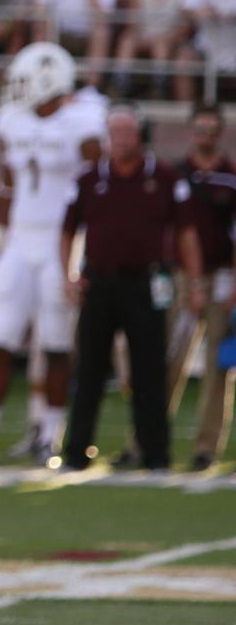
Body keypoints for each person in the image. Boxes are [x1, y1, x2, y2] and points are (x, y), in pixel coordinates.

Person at [0, 44, 104, 464]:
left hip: (61, 244)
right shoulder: (13, 122)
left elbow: (97, 186)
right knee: (0, 340)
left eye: (24, 81)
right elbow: (6, 188)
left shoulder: (84, 122)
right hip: (20, 242)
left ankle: (49, 437)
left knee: (56, 345)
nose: (16, 91)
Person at [59, 106, 205, 472]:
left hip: (146, 283)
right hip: (100, 282)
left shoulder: (166, 177)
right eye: (114, 132)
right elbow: (67, 231)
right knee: (90, 369)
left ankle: (155, 455)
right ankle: (76, 452)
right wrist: (69, 275)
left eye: (127, 132)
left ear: (141, 135)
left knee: (149, 372)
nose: (121, 140)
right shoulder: (89, 179)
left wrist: (196, 282)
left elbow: (186, 234)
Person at [167, 106, 235, 470]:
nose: (204, 136)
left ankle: (206, 447)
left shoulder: (231, 176)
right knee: (168, 358)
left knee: (216, 368)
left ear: (219, 133)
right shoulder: (176, 174)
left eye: (211, 130)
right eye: (199, 130)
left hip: (221, 276)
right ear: (190, 132)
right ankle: (149, 439)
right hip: (181, 277)